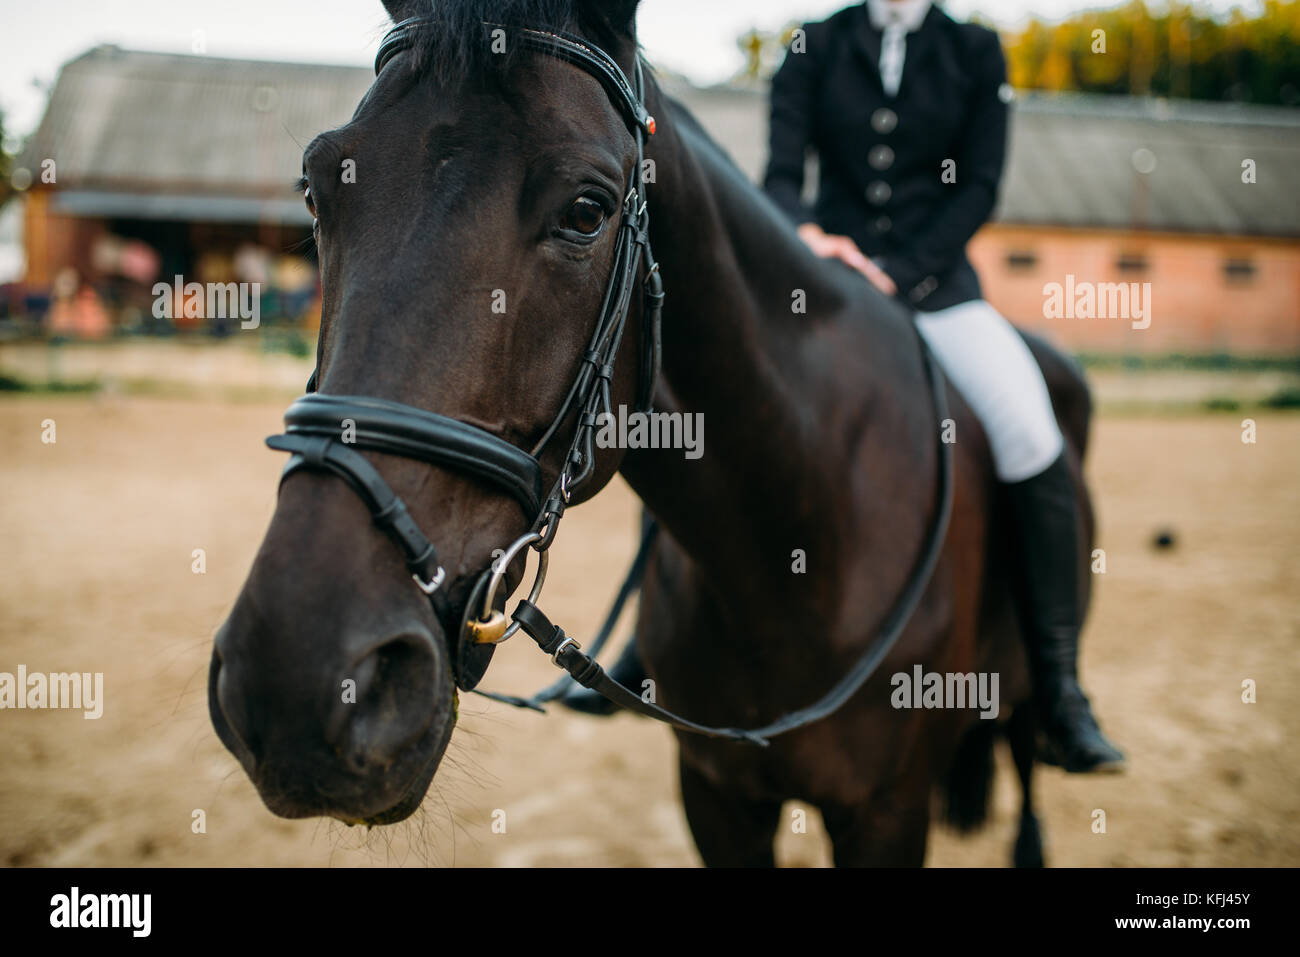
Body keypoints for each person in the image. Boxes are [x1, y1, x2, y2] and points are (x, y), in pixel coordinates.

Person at [567, 0, 1124, 774]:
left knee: (1032, 435)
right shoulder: (814, 44)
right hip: (818, 283)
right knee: (705, 399)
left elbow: (977, 188)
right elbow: (784, 173)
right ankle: (643, 643)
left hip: (939, 292)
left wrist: (900, 272)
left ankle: (1059, 688)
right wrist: (806, 238)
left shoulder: (974, 51)